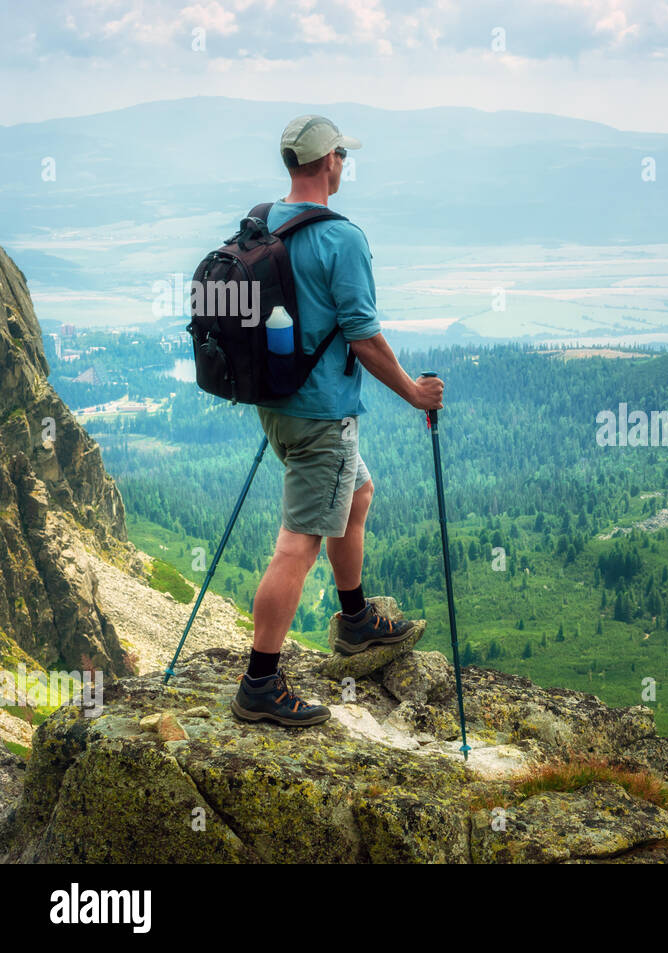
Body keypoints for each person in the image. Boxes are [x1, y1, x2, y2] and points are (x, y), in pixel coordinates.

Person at [230, 115, 443, 727]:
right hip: (323, 413)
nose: (344, 165)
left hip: (278, 405)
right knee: (297, 544)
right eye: (343, 156)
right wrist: (413, 393)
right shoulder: (342, 238)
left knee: (359, 491)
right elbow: (364, 336)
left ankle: (354, 621)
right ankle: (260, 684)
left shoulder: (262, 222)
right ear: (330, 162)